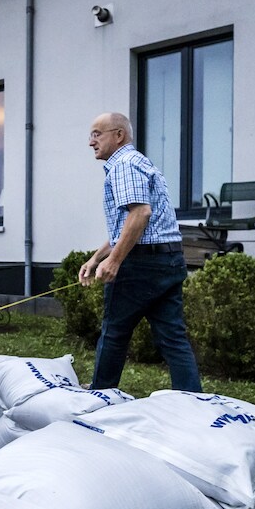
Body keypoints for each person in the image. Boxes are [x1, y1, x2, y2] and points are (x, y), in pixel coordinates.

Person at [77, 112, 202, 392]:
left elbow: (140, 214)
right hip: (167, 260)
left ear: (118, 135)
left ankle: (100, 393)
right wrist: (97, 257)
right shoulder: (141, 163)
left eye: (97, 133)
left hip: (141, 265)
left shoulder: (123, 165)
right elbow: (131, 225)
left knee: (114, 333)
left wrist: (115, 260)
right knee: (173, 338)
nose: (91, 142)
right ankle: (194, 402)